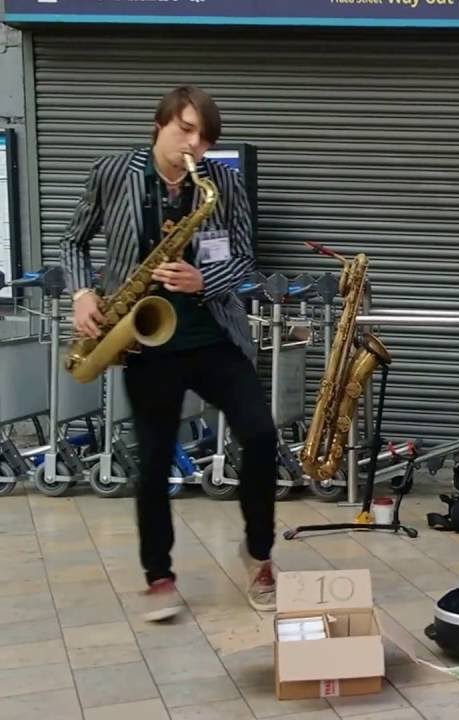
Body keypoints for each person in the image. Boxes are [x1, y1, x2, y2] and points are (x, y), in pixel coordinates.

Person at [60, 85, 278, 621]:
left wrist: (204, 278)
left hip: (213, 337)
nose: (195, 145)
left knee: (261, 434)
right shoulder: (113, 172)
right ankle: (159, 576)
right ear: (158, 124)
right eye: (185, 130)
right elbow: (72, 240)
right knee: (154, 461)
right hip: (143, 341)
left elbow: (245, 258)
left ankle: (258, 553)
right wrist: (83, 292)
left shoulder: (221, 182)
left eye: (203, 138)